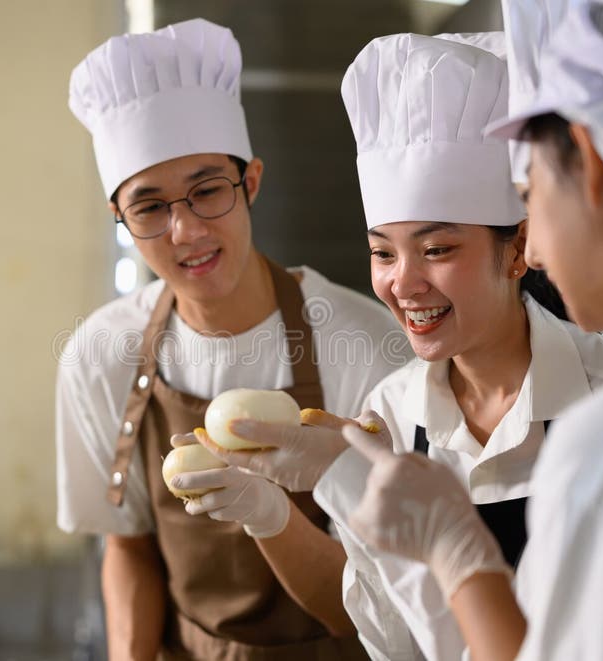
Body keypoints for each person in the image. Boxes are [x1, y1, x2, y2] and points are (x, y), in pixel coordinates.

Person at [193, 32, 603, 660]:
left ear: (516, 249)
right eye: (381, 252)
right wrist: (305, 500)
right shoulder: (392, 413)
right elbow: (393, 644)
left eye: (437, 249)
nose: (402, 283)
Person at [339, 2, 603, 660]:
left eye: (529, 194)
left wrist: (453, 545)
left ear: (592, 161)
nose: (539, 251)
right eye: (384, 251)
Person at [56, 18, 405, 660]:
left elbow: (380, 605)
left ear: (252, 182)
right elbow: (128, 549)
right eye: (150, 206)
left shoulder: (367, 344)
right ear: (121, 220)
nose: (185, 230)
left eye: (207, 190)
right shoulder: (101, 354)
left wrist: (272, 517)